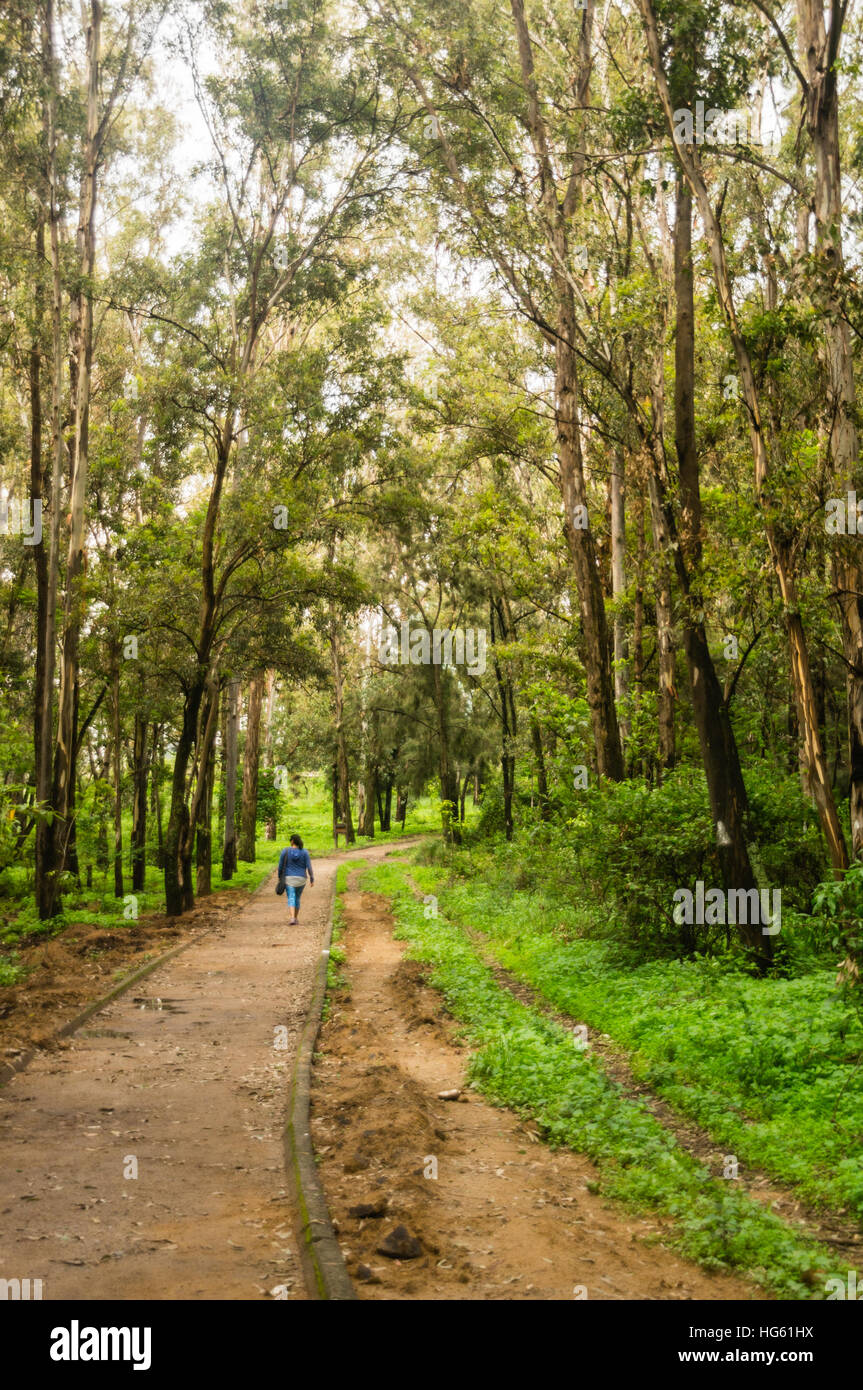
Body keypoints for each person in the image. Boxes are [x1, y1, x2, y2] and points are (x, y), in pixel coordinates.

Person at [278, 834, 314, 925]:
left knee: (291, 897)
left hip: (289, 879)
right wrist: (312, 878)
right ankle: (295, 918)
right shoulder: (305, 852)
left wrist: (279, 877)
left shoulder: (285, 851)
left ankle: (292, 918)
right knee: (297, 898)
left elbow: (280, 866)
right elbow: (309, 867)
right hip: (301, 879)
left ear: (292, 841)